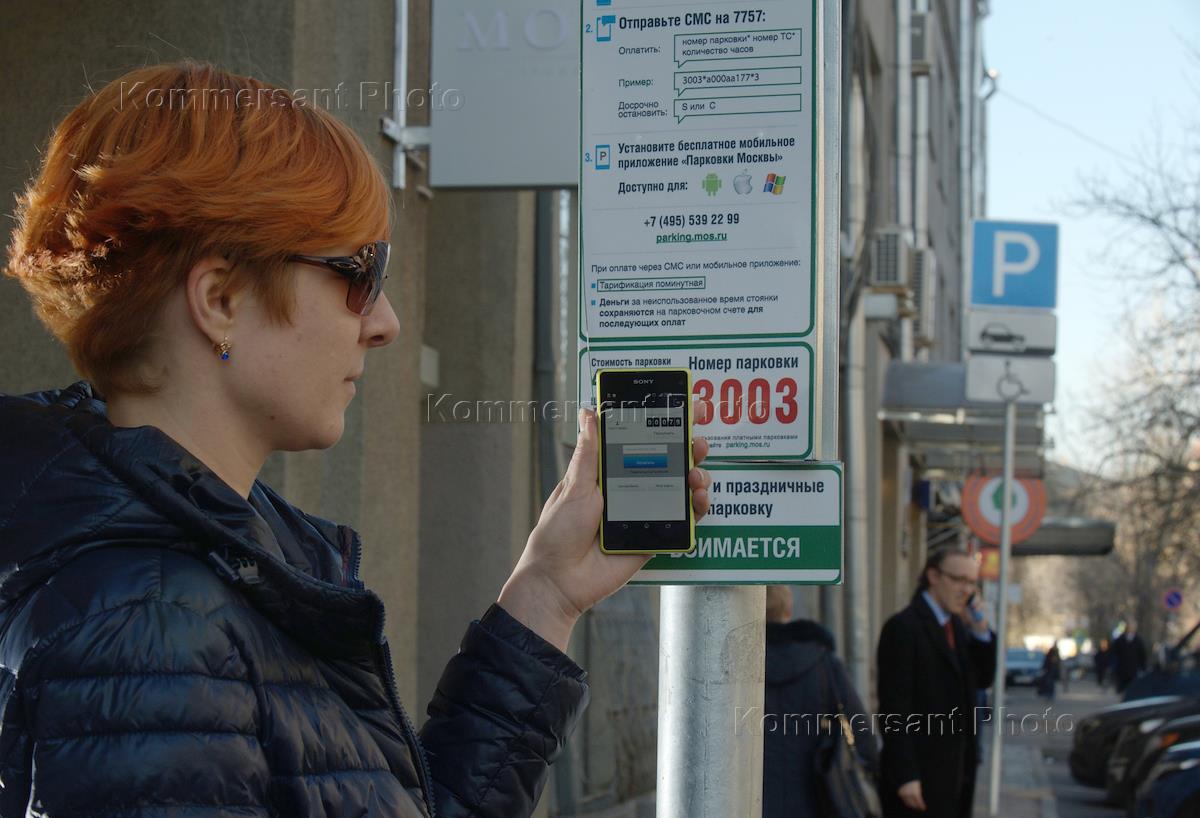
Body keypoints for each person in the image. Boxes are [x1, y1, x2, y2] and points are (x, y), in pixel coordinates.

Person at [0, 61, 715, 816]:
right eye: (359, 274)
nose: (385, 323)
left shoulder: (227, 568)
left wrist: (546, 594)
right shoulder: (150, 625)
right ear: (220, 299)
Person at [877, 547, 996, 818]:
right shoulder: (904, 627)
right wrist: (905, 774)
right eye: (959, 580)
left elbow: (982, 679)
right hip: (919, 776)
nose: (966, 590)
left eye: (972, 583)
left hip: (956, 772)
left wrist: (981, 632)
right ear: (933, 576)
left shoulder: (958, 627)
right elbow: (894, 708)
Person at [762, 586, 878, 818]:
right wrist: (873, 766)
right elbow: (858, 724)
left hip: (749, 797)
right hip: (817, 794)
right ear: (789, 609)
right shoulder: (822, 661)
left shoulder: (733, 664)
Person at [1112, 623, 1149, 693]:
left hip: (1133, 670)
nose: (1130, 629)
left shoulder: (1139, 640)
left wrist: (1143, 668)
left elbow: (1142, 655)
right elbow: (1115, 654)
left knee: (1132, 689)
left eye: (1132, 627)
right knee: (1122, 689)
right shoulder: (1120, 640)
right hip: (1121, 670)